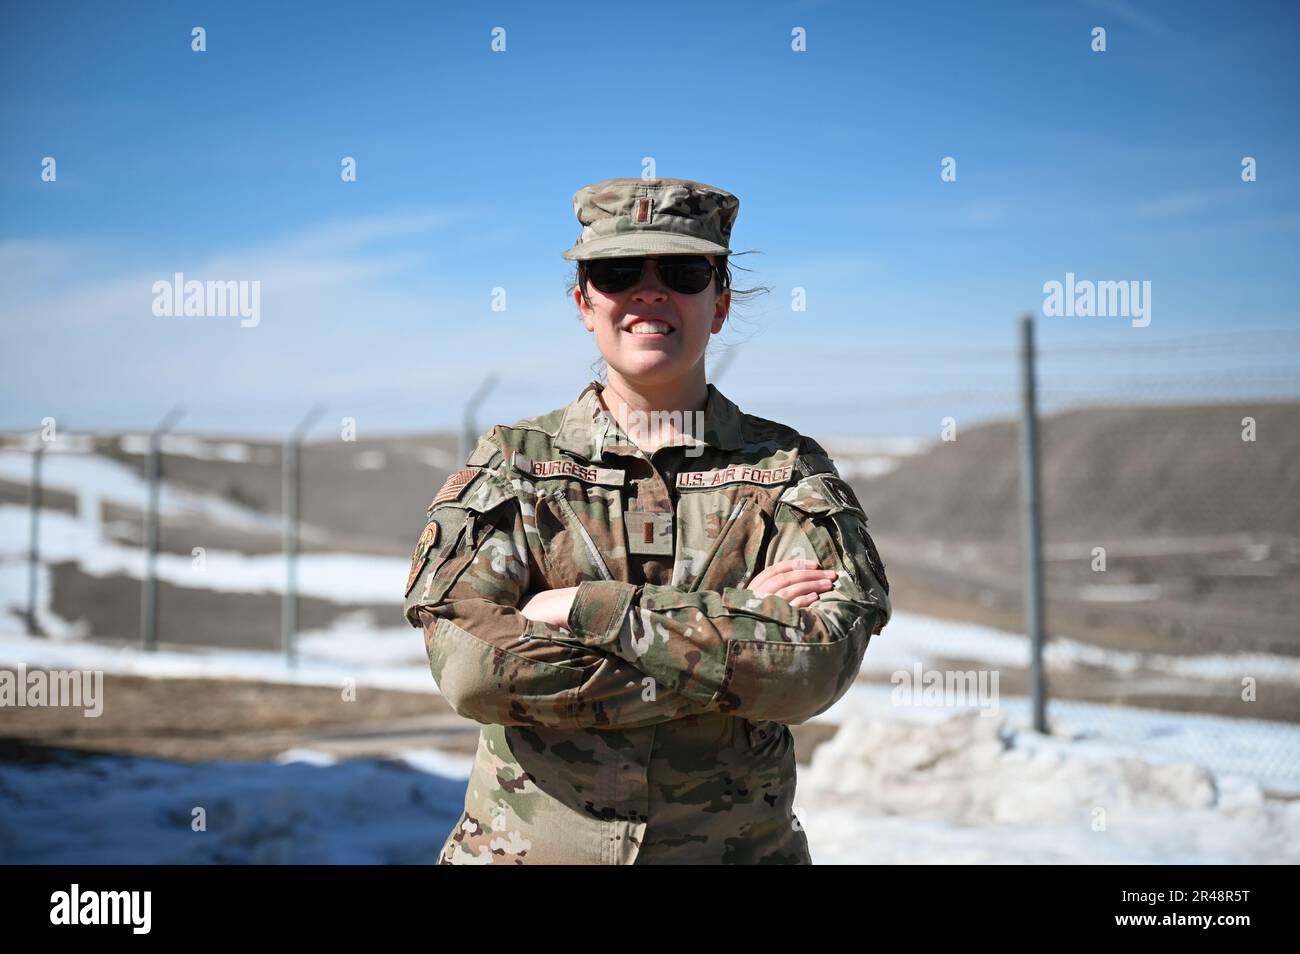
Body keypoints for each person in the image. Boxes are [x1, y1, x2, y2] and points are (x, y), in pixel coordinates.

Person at [402, 177, 892, 864]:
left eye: (686, 272)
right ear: (584, 302)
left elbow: (815, 667)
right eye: (617, 271)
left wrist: (579, 608)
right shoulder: (515, 464)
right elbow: (474, 671)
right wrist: (732, 636)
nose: (650, 292)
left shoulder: (786, 470)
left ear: (719, 304)